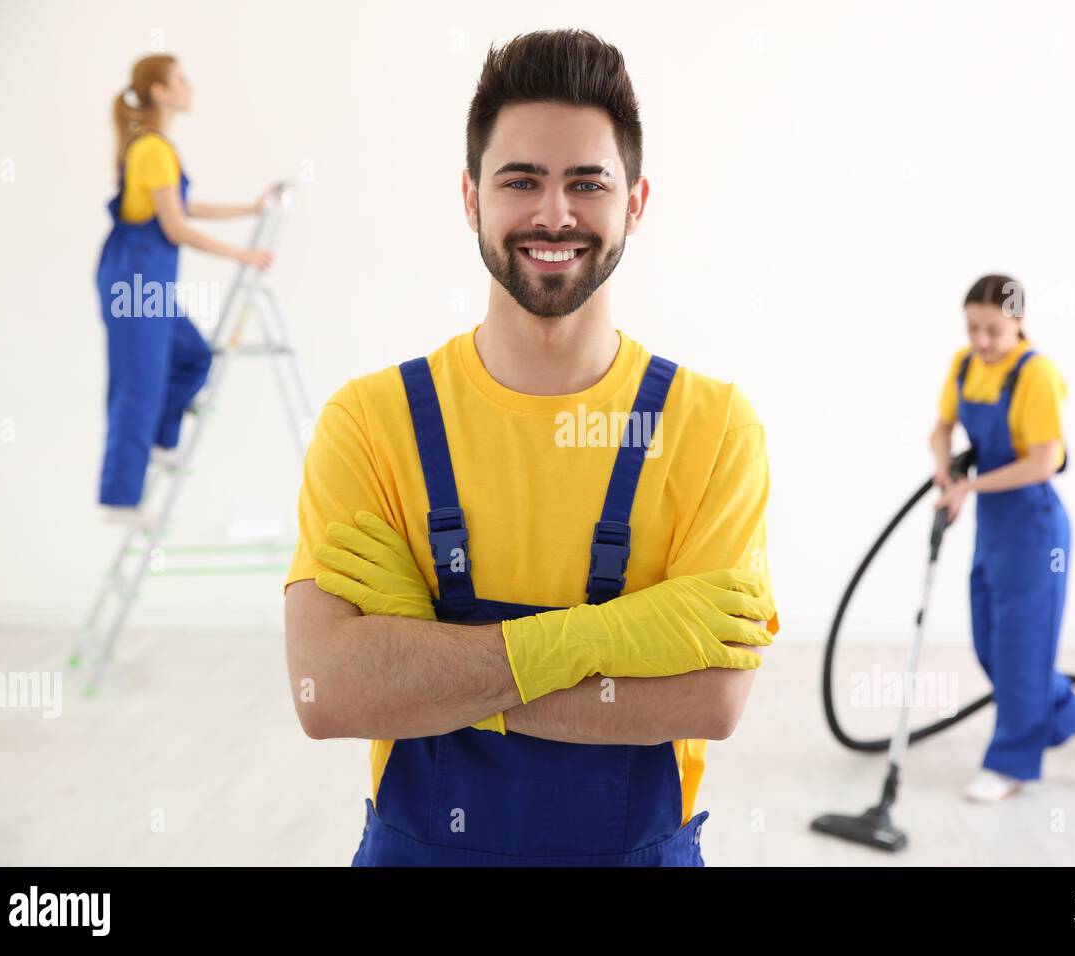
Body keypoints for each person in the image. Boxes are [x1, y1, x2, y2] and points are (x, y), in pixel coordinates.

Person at [283, 29, 779, 866]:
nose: (554, 215)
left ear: (636, 202)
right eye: (521, 181)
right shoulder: (369, 422)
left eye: (588, 182)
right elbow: (327, 691)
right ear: (471, 197)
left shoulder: (713, 428)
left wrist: (427, 664)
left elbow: (712, 701)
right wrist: (612, 639)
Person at [929, 274, 1075, 803]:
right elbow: (940, 428)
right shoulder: (964, 366)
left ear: (1019, 321)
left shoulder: (1037, 375)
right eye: (972, 328)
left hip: (1035, 531)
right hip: (993, 528)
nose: (981, 341)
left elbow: (1041, 462)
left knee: (1021, 650)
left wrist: (968, 486)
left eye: (993, 329)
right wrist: (945, 468)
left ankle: (1010, 765)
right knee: (991, 645)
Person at [96, 54, 275, 530]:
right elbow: (175, 228)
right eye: (181, 80)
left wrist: (248, 209)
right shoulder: (153, 148)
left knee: (193, 356)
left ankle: (158, 441)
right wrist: (241, 254)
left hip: (148, 281)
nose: (189, 86)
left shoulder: (157, 148)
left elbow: (182, 207)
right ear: (160, 91)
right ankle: (121, 500)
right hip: (134, 281)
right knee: (138, 382)